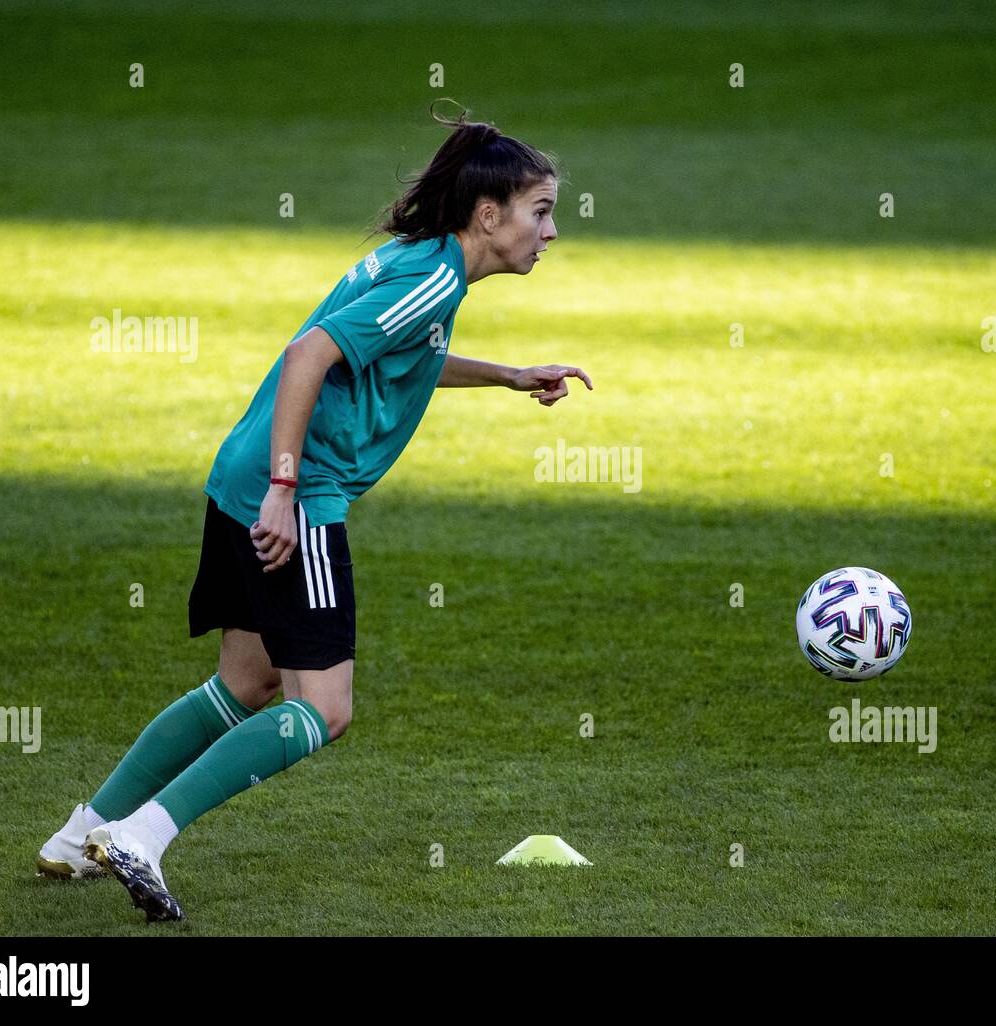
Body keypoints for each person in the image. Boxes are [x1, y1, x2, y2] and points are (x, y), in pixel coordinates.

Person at [35, 103, 592, 922]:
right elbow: (310, 356)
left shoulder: (424, 263)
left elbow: (391, 356)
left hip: (242, 472)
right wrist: (289, 493)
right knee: (325, 707)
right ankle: (142, 835)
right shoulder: (436, 276)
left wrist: (508, 376)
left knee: (247, 679)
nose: (550, 232)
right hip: (296, 490)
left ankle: (79, 833)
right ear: (489, 213)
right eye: (541, 212)